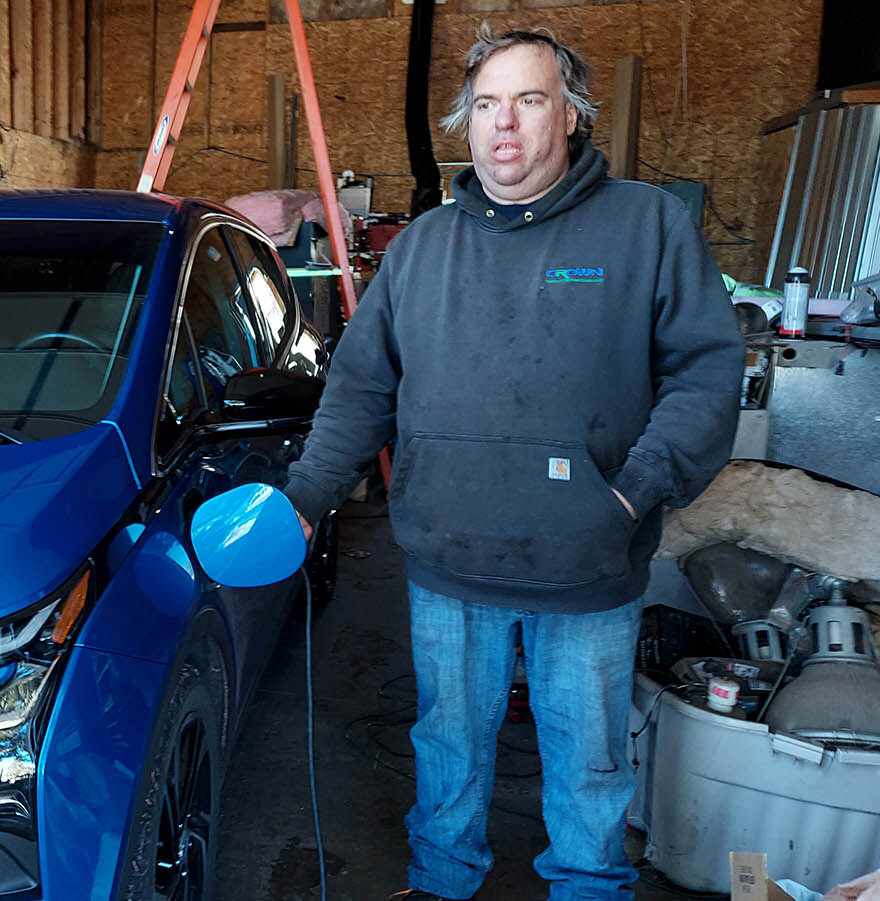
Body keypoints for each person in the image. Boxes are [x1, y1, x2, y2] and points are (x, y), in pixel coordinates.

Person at [280, 24, 745, 901]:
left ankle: (586, 888)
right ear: (467, 123)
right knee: (447, 743)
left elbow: (708, 372)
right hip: (448, 561)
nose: (506, 124)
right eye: (487, 105)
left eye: (530, 100)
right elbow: (360, 389)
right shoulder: (421, 248)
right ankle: (441, 881)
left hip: (587, 562)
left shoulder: (647, 224)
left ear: (569, 115)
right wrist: (306, 495)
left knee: (589, 758)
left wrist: (633, 491)